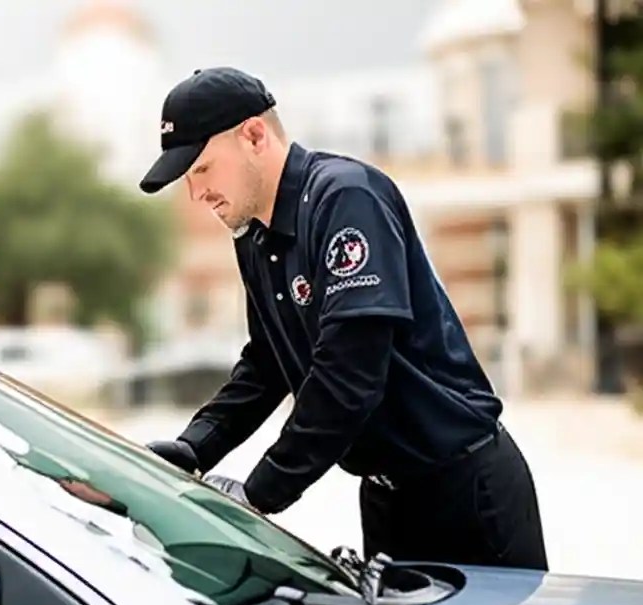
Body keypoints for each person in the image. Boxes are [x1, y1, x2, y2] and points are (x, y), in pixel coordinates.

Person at [137, 67, 548, 571]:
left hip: (465, 494)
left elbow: (350, 373)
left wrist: (261, 492)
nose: (196, 194)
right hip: (386, 502)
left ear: (255, 136)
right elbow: (266, 363)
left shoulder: (347, 198)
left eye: (202, 169)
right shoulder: (255, 236)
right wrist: (194, 447)